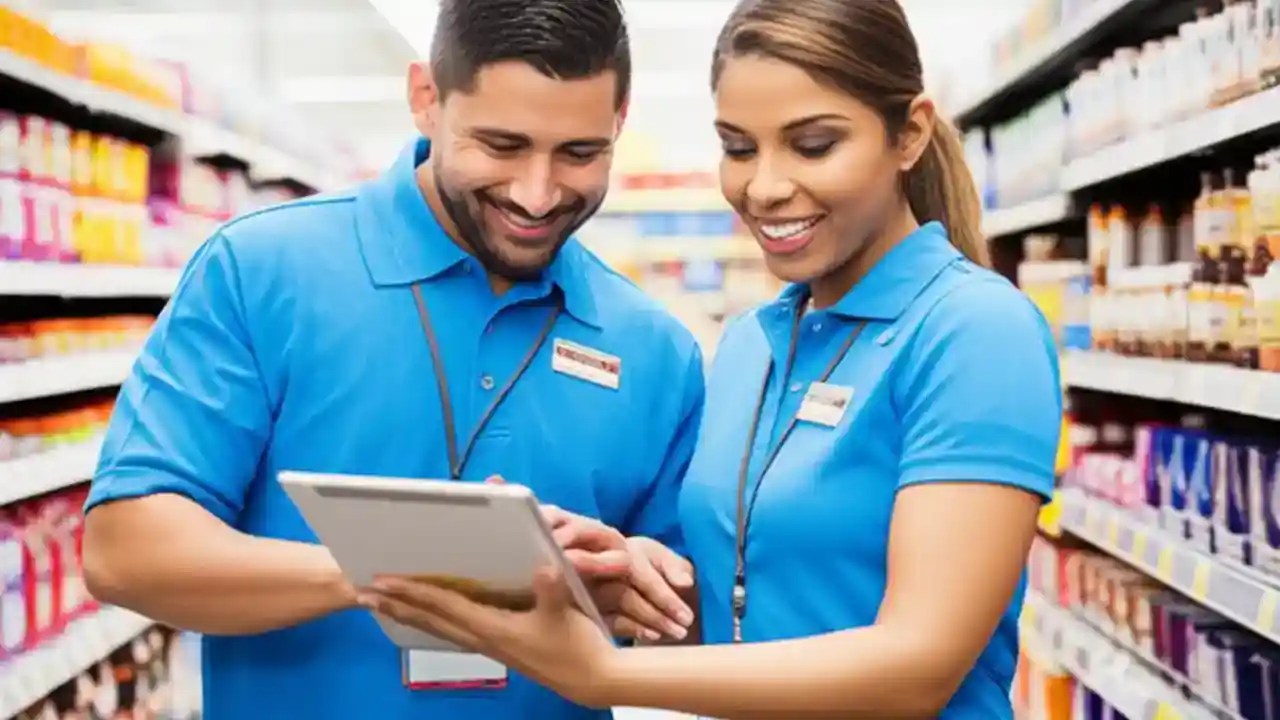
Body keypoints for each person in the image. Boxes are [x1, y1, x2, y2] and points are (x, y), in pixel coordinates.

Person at [358, 0, 1063, 718]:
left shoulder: (974, 331)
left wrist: (601, 676)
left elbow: (918, 666)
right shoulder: (753, 344)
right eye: (739, 147)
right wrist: (634, 578)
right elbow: (756, 616)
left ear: (908, 134)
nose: (764, 186)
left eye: (813, 145)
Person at [79, 1, 704, 718]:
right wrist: (412, 567)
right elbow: (125, 553)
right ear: (426, 99)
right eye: (501, 145)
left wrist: (652, 590)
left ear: (620, 119)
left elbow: (696, 630)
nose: (538, 193)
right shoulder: (260, 272)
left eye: (579, 153)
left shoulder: (655, 348)